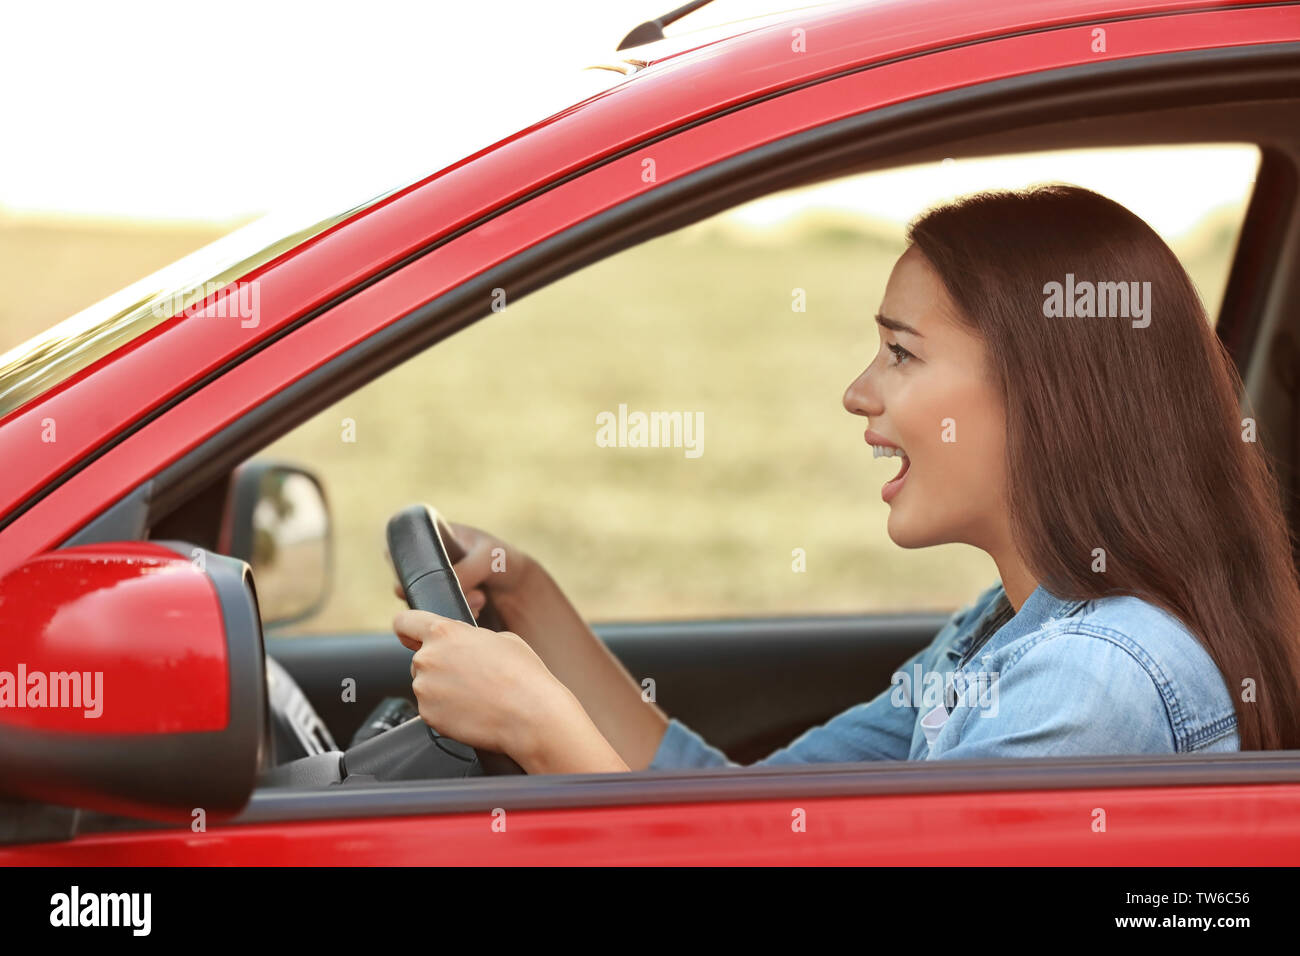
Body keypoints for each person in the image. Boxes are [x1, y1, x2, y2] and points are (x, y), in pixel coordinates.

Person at [392, 184, 1300, 773]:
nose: (856, 393)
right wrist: (533, 598)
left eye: (901, 354)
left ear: (1046, 393)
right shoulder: (1005, 631)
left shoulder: (1091, 684)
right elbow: (736, 817)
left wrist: (535, 726)